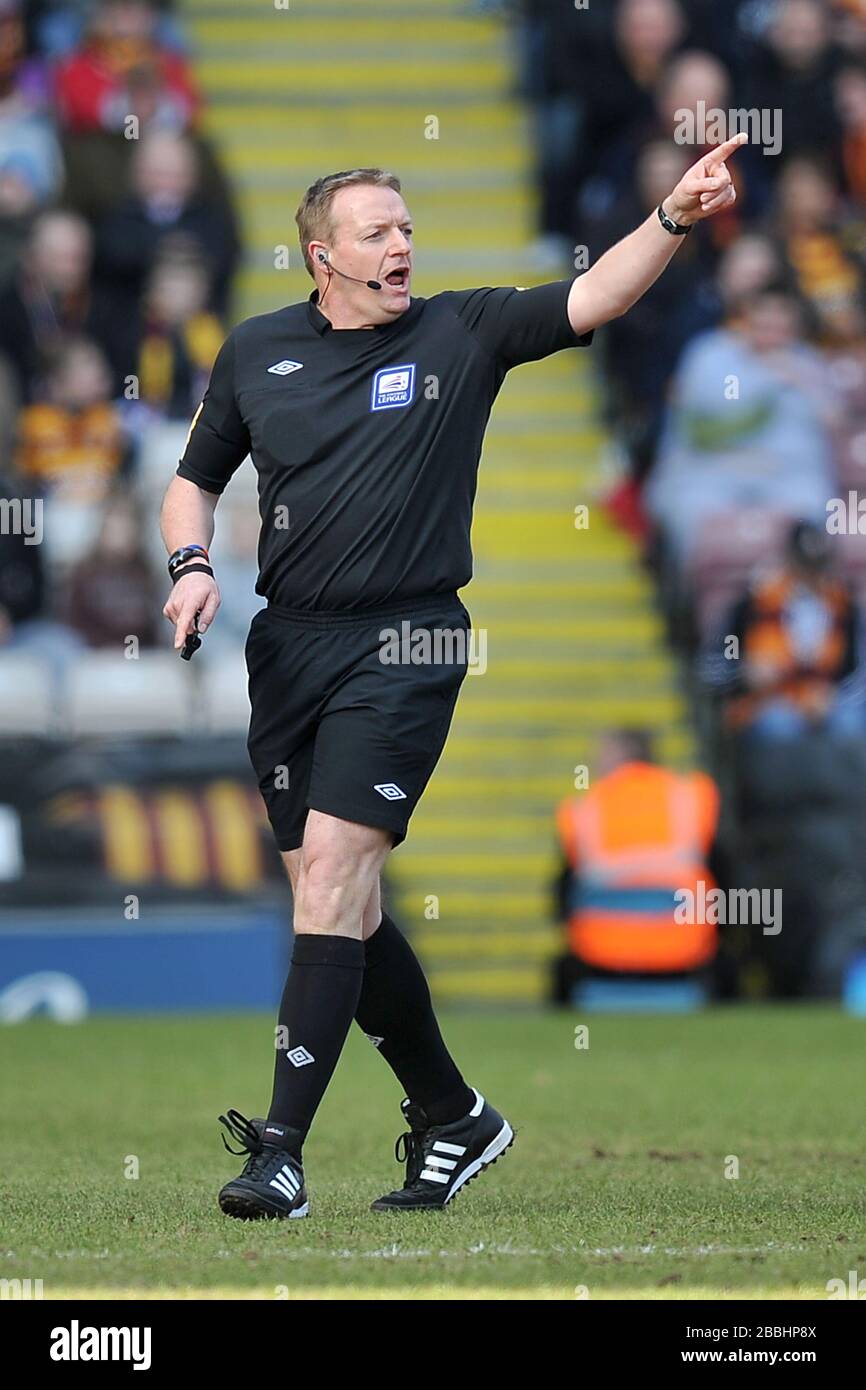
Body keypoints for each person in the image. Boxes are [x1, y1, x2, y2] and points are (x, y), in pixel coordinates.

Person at [158, 144, 743, 1220]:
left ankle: (280, 1152)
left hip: (408, 639)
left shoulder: (458, 331)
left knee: (332, 873)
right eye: (377, 231)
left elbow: (591, 295)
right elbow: (193, 483)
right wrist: (190, 567)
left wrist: (667, 214)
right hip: (287, 648)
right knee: (338, 902)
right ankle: (453, 1114)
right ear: (320, 254)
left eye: (406, 228)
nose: (400, 246)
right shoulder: (255, 351)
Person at [551, 729, 720, 1003]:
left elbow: (561, 898)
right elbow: (724, 877)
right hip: (683, 954)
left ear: (619, 756)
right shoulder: (690, 798)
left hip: (601, 956)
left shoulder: (586, 808)